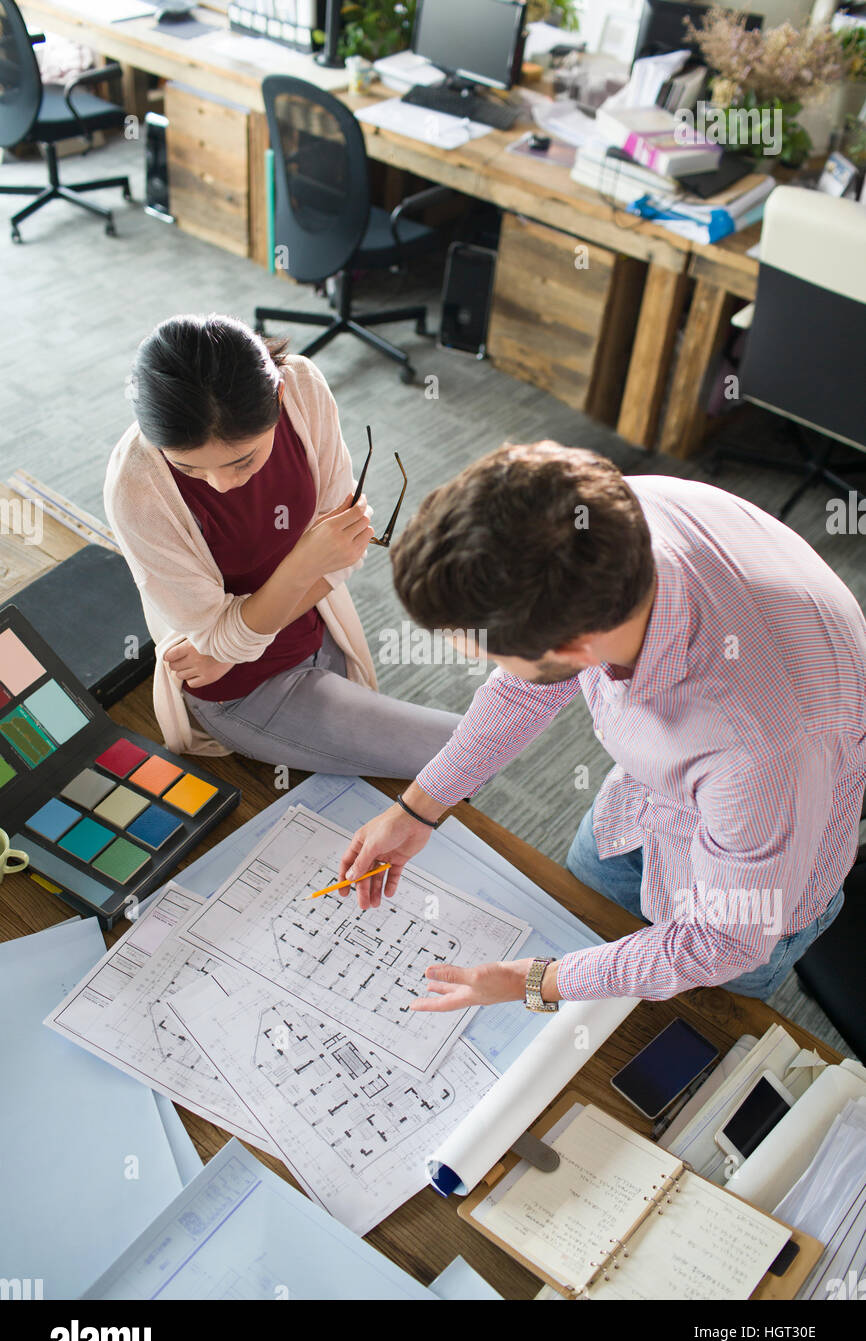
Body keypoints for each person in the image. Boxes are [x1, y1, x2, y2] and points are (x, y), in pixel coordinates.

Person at [338, 441, 866, 1010]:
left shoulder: (762, 747)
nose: (492, 670)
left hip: (754, 891)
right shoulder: (596, 520)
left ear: (576, 645)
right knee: (574, 916)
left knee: (683, 1031)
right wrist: (419, 807)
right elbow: (528, 684)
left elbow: (720, 943)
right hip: (635, 811)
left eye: (494, 656)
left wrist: (533, 984)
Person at [104, 314, 459, 773]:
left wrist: (229, 641)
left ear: (279, 396)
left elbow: (344, 557)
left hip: (314, 629)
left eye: (242, 460)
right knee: (459, 751)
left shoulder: (303, 387)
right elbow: (219, 634)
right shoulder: (137, 486)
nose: (221, 485)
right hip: (240, 688)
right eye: (190, 469)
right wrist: (304, 565)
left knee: (470, 750)